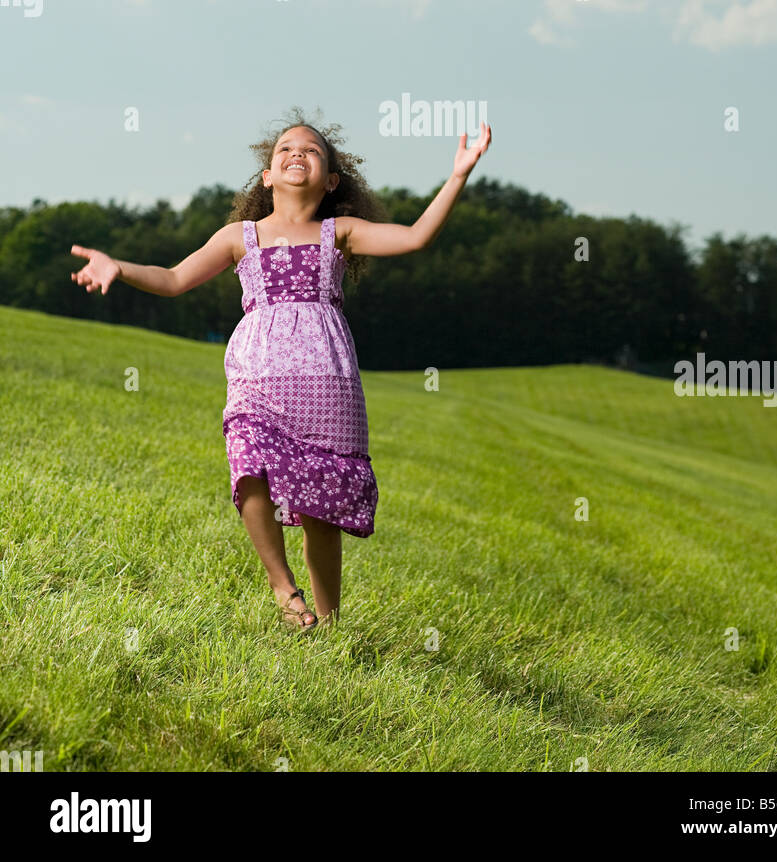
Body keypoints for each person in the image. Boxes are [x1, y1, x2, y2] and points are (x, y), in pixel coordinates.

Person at [70, 114, 492, 632]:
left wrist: (457, 176)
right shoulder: (238, 237)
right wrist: (119, 267)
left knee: (321, 509)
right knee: (248, 469)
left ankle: (330, 626)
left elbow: (416, 237)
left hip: (328, 384)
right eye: (285, 149)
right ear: (267, 176)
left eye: (312, 151)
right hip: (257, 376)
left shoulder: (341, 233)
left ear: (332, 180)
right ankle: (281, 585)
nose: (297, 154)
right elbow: (176, 277)